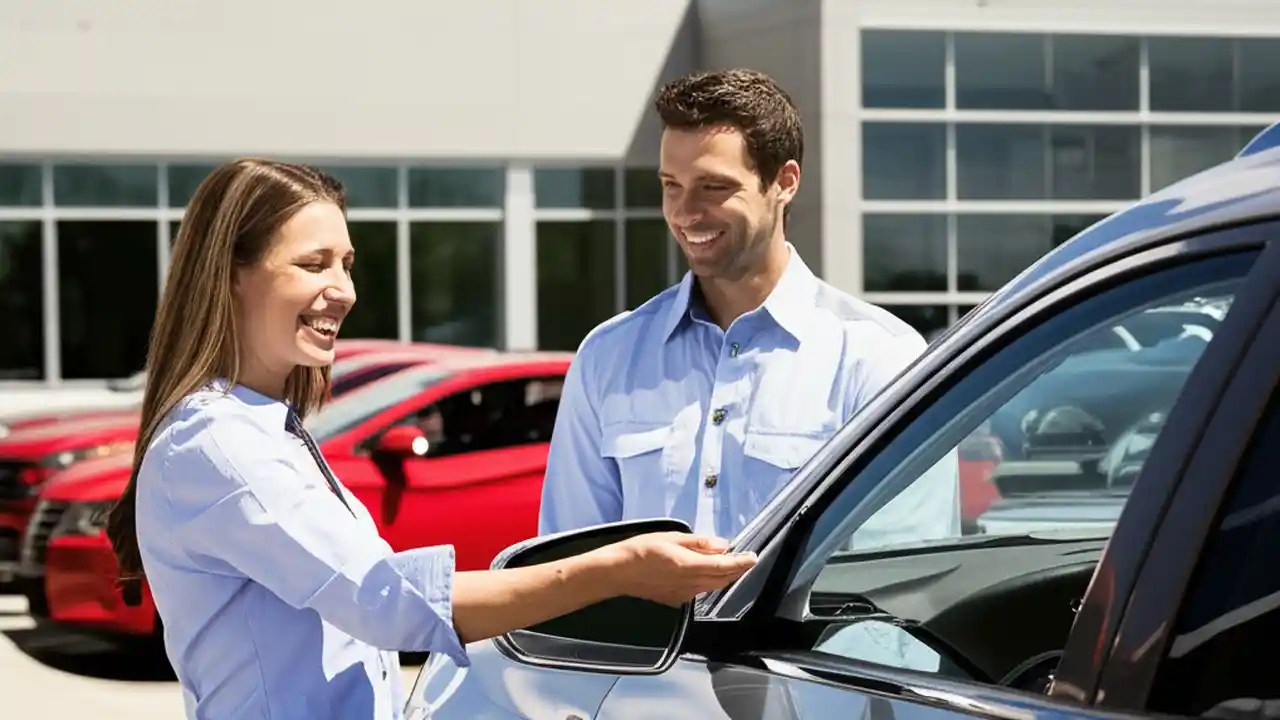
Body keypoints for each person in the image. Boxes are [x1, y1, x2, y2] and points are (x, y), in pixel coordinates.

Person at [103, 159, 756, 720]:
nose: (344, 290)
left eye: (347, 264)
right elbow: (386, 602)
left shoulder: (266, 428)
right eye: (312, 264)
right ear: (232, 275)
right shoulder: (218, 446)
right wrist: (618, 571)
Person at [539, 69, 957, 542]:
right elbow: (569, 569)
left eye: (712, 187)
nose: (684, 212)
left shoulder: (879, 360)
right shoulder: (607, 357)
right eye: (670, 185)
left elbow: (896, 584)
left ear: (784, 182)